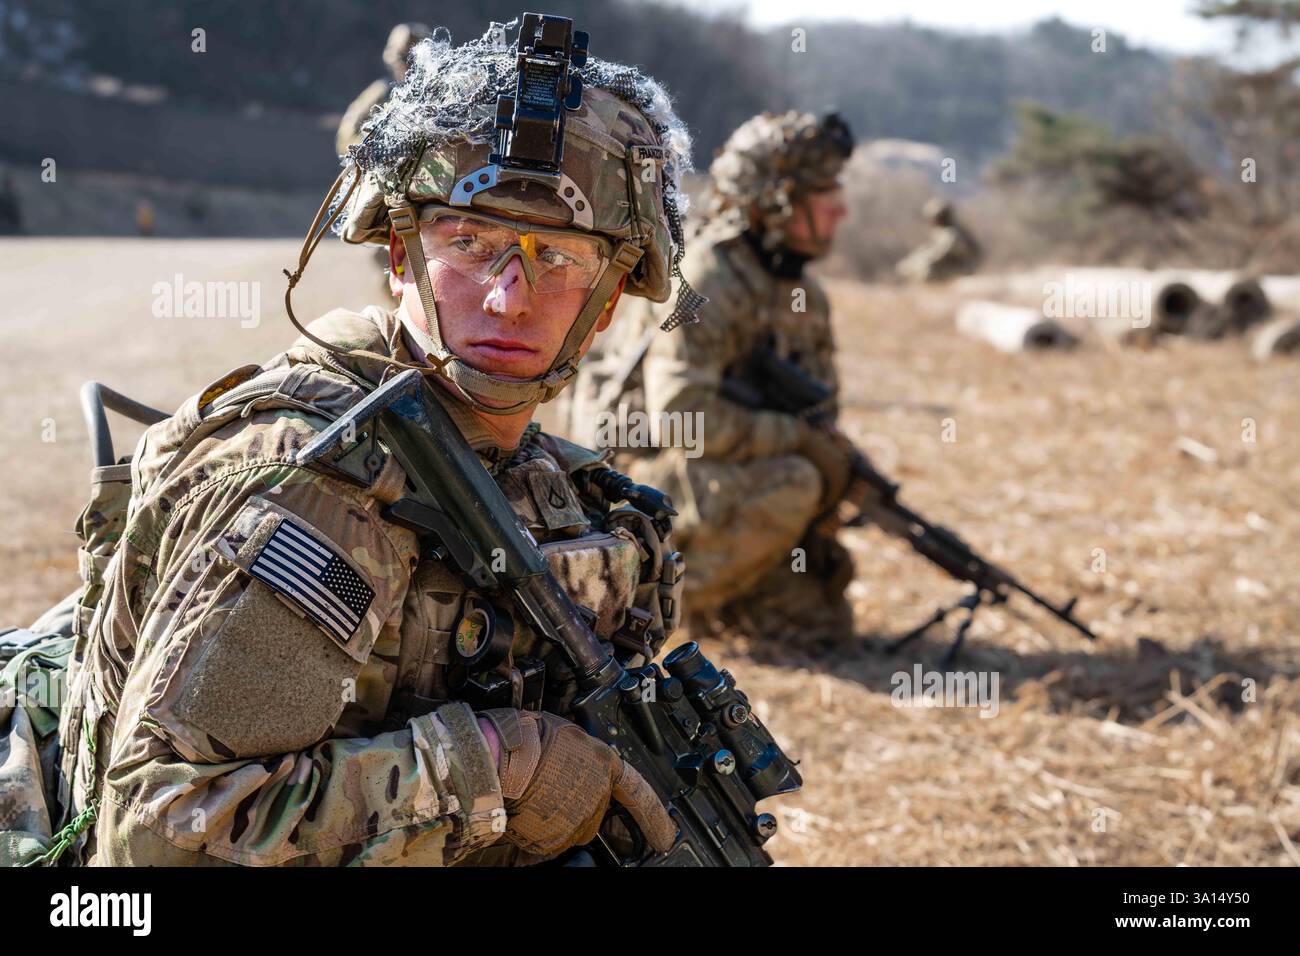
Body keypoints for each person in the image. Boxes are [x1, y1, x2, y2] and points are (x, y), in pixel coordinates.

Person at [52, 15, 700, 867]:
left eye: (563, 259)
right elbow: (159, 839)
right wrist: (497, 769)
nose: (509, 297)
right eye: (469, 244)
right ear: (400, 256)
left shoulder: (551, 485)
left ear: (607, 302)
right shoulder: (316, 487)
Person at [564, 110, 858, 640]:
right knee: (797, 481)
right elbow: (681, 418)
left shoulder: (803, 294)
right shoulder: (709, 279)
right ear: (777, 200)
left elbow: (822, 412)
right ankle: (649, 607)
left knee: (825, 614)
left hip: (718, 469)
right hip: (638, 469)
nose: (841, 209)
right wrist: (798, 442)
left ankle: (736, 594)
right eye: (824, 191)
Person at [334, 22, 432, 156]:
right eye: (404, 58)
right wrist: (376, 149)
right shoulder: (382, 92)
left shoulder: (432, 93)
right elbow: (346, 134)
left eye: (414, 59)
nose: (410, 65)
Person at [895, 197, 982, 282]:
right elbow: (929, 248)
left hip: (960, 269)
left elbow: (938, 255)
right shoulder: (942, 232)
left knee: (926, 269)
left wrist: (916, 262)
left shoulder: (952, 233)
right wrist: (912, 260)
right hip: (951, 266)